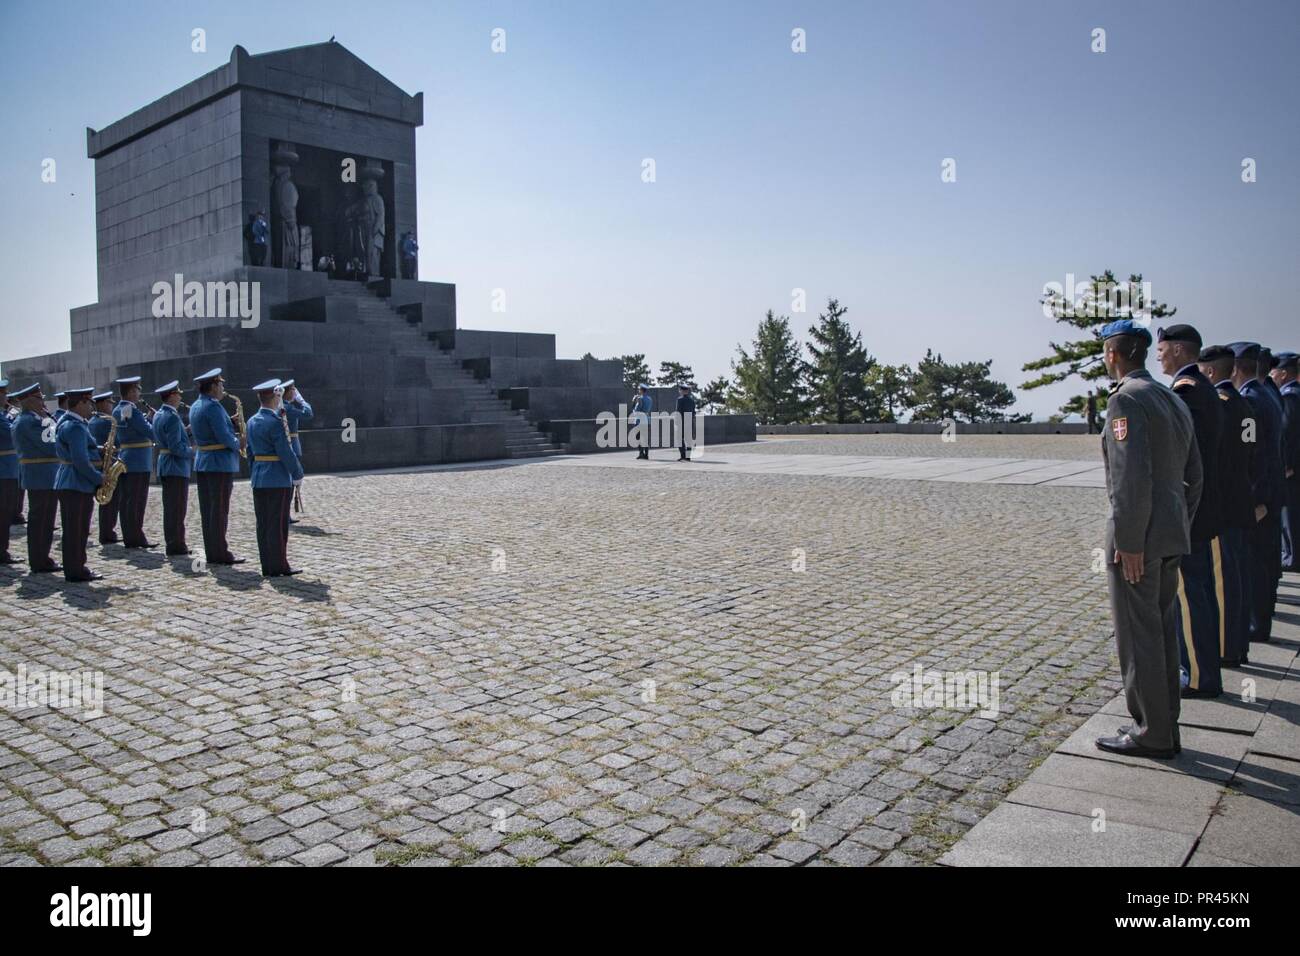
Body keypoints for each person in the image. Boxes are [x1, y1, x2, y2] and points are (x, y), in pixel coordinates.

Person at [1094, 319, 1201, 759]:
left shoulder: (1127, 401)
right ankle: (1165, 725)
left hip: (1139, 541)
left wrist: (1131, 541)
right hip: (1172, 533)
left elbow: (1130, 478)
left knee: (1139, 637)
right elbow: (1195, 475)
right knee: (1163, 631)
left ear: (1113, 355)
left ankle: (1151, 732)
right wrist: (1178, 525)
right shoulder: (1169, 398)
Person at [1156, 325, 1223, 698]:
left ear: (1180, 350)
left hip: (1189, 512)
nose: (1159, 355)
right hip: (1202, 507)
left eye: (1162, 349)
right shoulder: (1202, 388)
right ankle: (1204, 668)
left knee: (1189, 595)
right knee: (1199, 591)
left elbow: (1181, 457)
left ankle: (1197, 674)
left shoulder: (1187, 392)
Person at [1198, 345, 1258, 666]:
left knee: (1223, 583)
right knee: (1237, 576)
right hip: (1241, 502)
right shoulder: (1244, 405)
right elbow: (1251, 453)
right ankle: (1238, 643)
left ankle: (1226, 648)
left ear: (1209, 371)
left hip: (1222, 506)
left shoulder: (1220, 407)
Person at [1230, 342, 1285, 643]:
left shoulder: (1250, 400)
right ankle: (1259, 622)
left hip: (1260, 497)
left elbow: (1255, 452)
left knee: (1255, 567)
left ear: (1236, 368)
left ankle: (1256, 625)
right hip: (1272, 493)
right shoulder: (1266, 393)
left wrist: (1256, 498)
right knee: (1264, 563)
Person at [247, 379, 304, 577]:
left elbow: (250, 452)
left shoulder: (252, 421)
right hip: (277, 478)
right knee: (278, 525)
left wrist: (253, 473)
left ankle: (267, 565)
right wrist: (297, 473)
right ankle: (279, 565)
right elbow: (285, 452)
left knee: (263, 524)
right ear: (274, 396)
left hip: (259, 477)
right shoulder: (275, 422)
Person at [189, 369, 245, 565]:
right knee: (219, 510)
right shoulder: (213, 407)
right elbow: (222, 436)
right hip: (219, 463)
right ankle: (220, 552)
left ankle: (212, 550)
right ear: (213, 386)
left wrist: (229, 421)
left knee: (209, 510)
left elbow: (210, 428)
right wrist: (240, 443)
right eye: (221, 385)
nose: (223, 388)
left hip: (204, 462)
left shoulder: (197, 405)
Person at [54, 388, 104, 582]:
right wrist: (99, 478)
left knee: (74, 529)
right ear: (81, 403)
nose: (92, 407)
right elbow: (80, 461)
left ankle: (74, 567)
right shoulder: (75, 427)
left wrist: (98, 449)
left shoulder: (68, 422)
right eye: (89, 403)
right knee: (77, 529)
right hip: (76, 483)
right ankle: (76, 570)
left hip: (70, 481)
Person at [10, 383, 61, 573]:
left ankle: (42, 558)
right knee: (41, 520)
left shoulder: (31, 419)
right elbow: (49, 446)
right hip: (40, 475)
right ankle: (39, 560)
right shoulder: (28, 422)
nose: (43, 402)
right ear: (29, 401)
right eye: (40, 398)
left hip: (43, 474)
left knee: (45, 520)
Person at [112, 376, 157, 548]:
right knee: (137, 500)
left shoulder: (120, 409)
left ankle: (130, 535)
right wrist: (153, 420)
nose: (139, 393)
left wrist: (145, 417)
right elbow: (148, 431)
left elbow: (130, 426)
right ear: (131, 391)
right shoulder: (131, 410)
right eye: (138, 390)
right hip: (138, 460)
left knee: (128, 500)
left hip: (127, 456)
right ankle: (136, 536)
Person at [153, 381, 193, 556]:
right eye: (178, 394)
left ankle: (172, 541)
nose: (180, 397)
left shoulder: (160, 414)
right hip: (175, 466)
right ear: (171, 396)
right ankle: (176, 544)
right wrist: (193, 452)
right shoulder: (172, 416)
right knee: (177, 509)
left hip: (165, 464)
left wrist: (187, 431)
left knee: (170, 508)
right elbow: (177, 447)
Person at [1270, 350, 1299, 571]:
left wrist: (1287, 463)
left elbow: (1287, 431)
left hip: (1292, 468)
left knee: (1289, 514)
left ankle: (1291, 556)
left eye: (1274, 371)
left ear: (1283, 374)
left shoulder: (1289, 397)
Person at [87, 390, 121, 545]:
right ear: (101, 404)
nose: (110, 406)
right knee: (110, 502)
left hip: (99, 464)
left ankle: (105, 532)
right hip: (106, 464)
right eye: (108, 403)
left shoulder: (92, 421)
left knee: (104, 501)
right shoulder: (106, 421)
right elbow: (117, 441)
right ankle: (108, 533)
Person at [281, 380, 312, 522]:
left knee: (289, 482)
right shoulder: (287, 407)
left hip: (291, 443)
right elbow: (308, 413)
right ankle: (284, 513)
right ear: (287, 392)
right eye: (293, 390)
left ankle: (284, 513)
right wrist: (302, 401)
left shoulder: (282, 406)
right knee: (290, 482)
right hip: (292, 445)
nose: (295, 392)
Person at [0, 379, 20, 565]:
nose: (6, 397)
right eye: (4, 393)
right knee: (3, 513)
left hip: (7, 470)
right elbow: (12, 435)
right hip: (3, 471)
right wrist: (18, 415)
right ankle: (1, 552)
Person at [676, 384, 697, 462]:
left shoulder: (680, 399)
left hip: (682, 422)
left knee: (679, 439)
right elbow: (694, 412)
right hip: (690, 421)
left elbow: (678, 412)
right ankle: (688, 457)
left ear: (682, 391)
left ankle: (683, 456)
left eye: (680, 390)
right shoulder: (692, 400)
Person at [630, 385, 652, 460]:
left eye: (639, 389)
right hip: (646, 420)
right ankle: (646, 454)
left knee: (638, 438)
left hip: (639, 420)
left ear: (642, 390)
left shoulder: (640, 398)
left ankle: (641, 453)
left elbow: (636, 410)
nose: (639, 391)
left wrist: (633, 401)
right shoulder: (649, 399)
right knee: (645, 438)